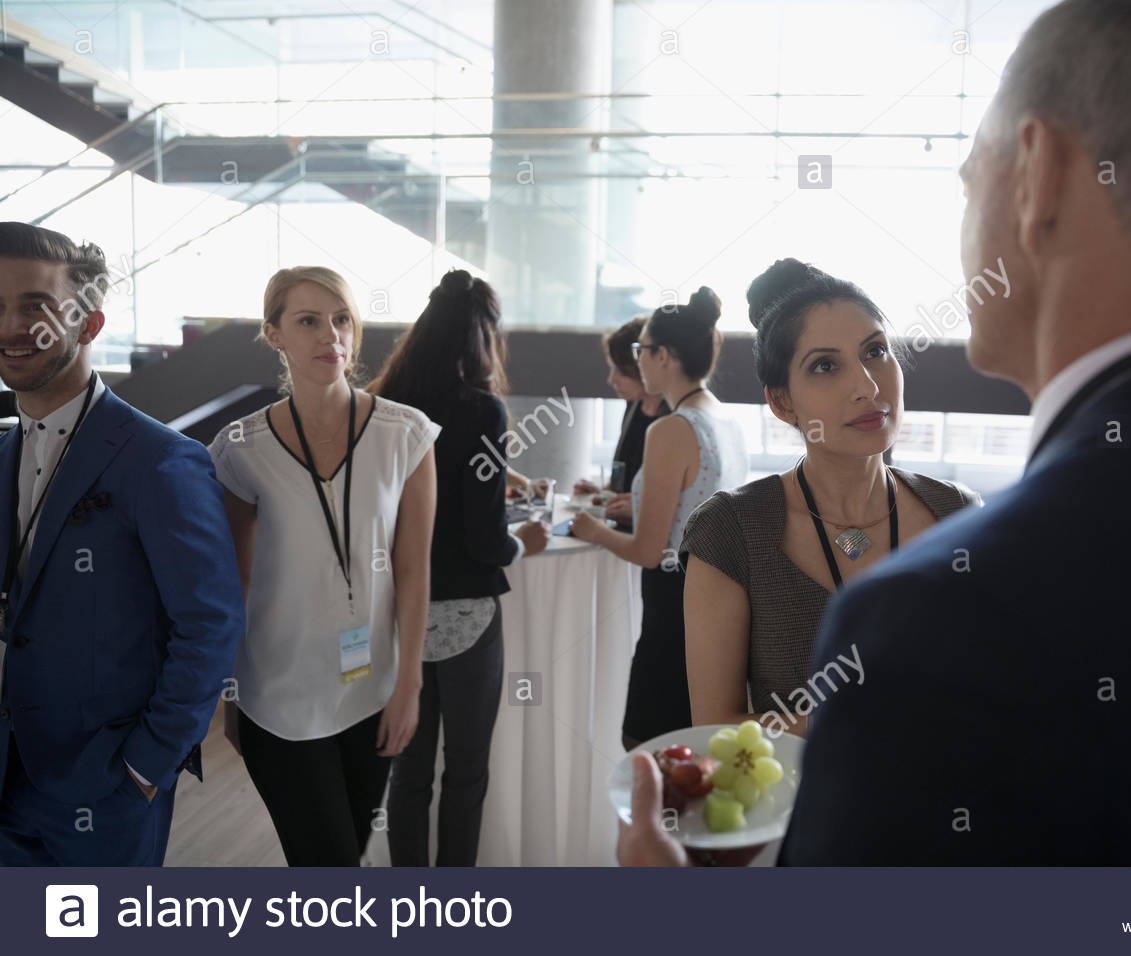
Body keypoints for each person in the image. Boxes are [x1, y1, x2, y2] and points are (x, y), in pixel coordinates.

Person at [620, 0, 1131, 865]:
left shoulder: (942, 611)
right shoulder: (813, 554)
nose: (867, 382)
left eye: (969, 178)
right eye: (825, 365)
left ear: (1038, 173)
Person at [0, 222, 244, 865]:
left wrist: (145, 767)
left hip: (102, 782)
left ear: (88, 324)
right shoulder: (3, 448)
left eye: (35, 306)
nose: (11, 326)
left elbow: (211, 624)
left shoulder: (162, 461)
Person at [681, 260, 979, 737]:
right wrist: (871, 720)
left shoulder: (958, 514)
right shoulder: (733, 530)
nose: (867, 385)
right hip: (800, 806)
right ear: (782, 402)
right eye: (825, 365)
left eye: (876, 351)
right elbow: (715, 725)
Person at [208, 266, 437, 866]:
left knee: (348, 859)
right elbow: (234, 582)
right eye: (307, 320)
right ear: (274, 334)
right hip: (278, 695)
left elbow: (413, 570)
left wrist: (410, 684)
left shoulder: (405, 434)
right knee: (326, 864)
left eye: (341, 320)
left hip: (375, 689)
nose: (329, 335)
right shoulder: (239, 448)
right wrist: (231, 694)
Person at [368, 269, 549, 867]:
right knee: (466, 773)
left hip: (396, 615)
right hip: (469, 614)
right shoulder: (483, 411)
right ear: (485, 336)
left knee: (407, 773)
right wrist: (522, 540)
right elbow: (483, 539)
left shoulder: (382, 406)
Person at [571, 288, 749, 749]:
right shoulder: (726, 421)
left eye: (641, 350)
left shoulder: (670, 428)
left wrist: (594, 530)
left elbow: (649, 551)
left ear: (663, 355)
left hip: (672, 606)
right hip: (719, 601)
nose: (638, 361)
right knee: (700, 754)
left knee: (647, 752)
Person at [573, 316, 670, 526]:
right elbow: (627, 483)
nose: (611, 380)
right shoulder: (634, 405)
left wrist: (635, 508)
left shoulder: (673, 422)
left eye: (620, 371)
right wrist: (604, 494)